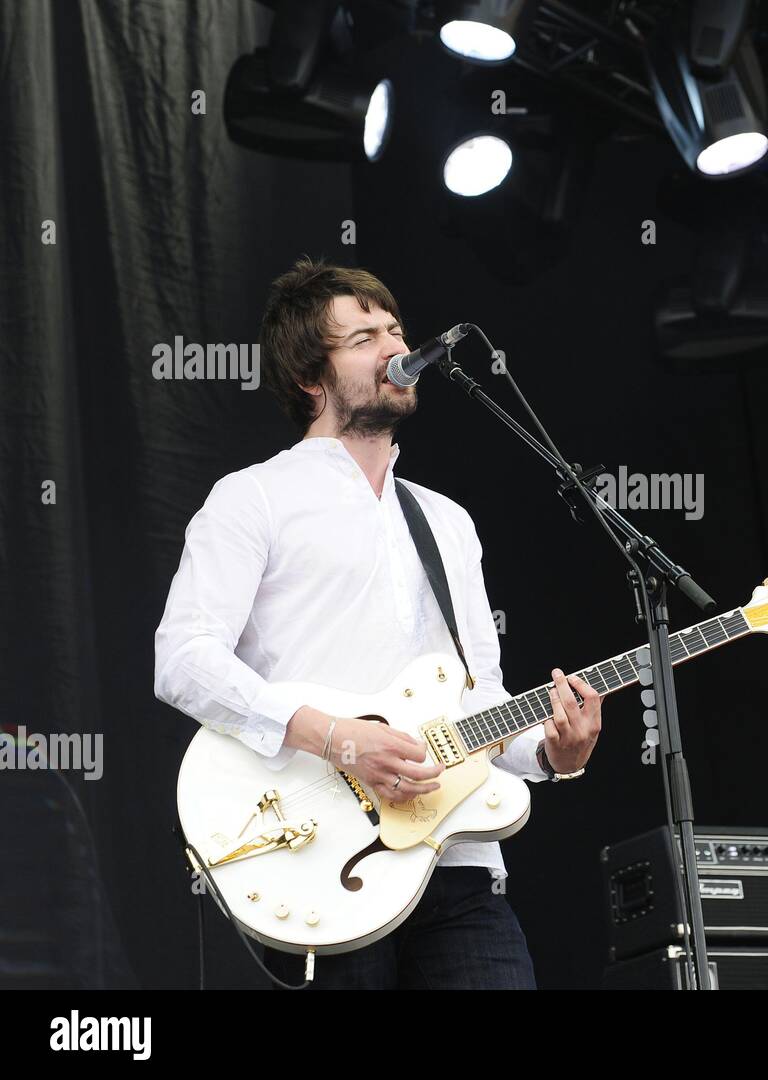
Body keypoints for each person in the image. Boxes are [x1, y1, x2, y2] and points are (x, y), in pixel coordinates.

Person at [155, 257, 602, 989]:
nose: (396, 348)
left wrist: (555, 752)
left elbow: (477, 699)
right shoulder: (252, 500)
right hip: (325, 860)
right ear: (311, 377)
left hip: (458, 863)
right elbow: (182, 659)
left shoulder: (445, 521)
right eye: (364, 337)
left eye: (395, 329)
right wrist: (338, 739)